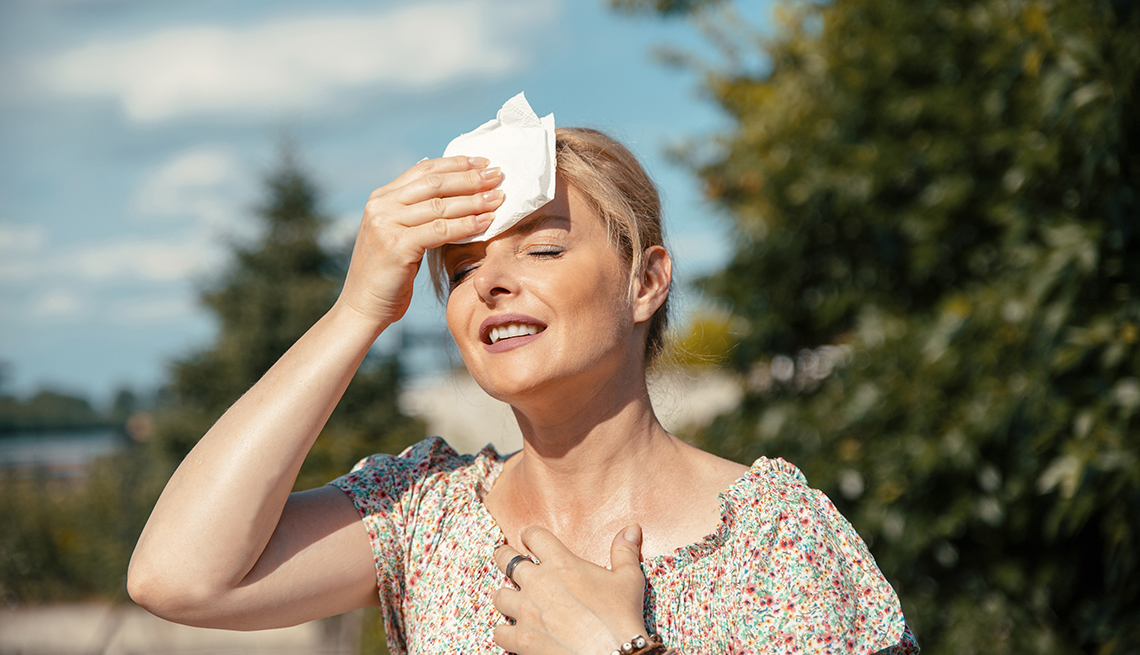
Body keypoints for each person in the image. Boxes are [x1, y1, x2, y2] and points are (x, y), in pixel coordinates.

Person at [128, 127, 919, 655]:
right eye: (464, 269)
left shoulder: (780, 537)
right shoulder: (422, 514)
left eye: (541, 248)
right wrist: (359, 308)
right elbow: (179, 576)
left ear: (645, 283)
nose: (493, 283)